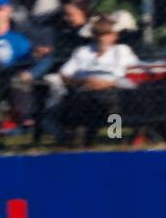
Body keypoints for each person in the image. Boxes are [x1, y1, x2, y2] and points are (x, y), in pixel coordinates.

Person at [54, 16, 139, 146]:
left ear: (114, 36)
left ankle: (114, 135)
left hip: (112, 88)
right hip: (85, 89)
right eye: (98, 34)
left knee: (112, 102)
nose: (102, 38)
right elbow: (64, 74)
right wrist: (82, 81)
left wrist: (107, 83)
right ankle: (83, 138)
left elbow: (133, 74)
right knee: (78, 101)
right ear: (93, 35)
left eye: (106, 34)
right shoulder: (83, 52)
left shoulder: (121, 51)